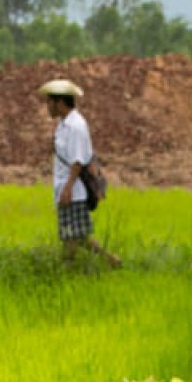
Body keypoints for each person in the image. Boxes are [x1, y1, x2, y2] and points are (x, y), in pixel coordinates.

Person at [39, 79, 121, 266]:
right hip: (65, 188)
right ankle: (112, 261)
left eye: (49, 102)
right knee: (78, 236)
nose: (47, 107)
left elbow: (77, 161)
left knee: (70, 237)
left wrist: (68, 188)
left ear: (60, 102)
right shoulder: (63, 124)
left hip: (73, 191)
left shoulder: (76, 126)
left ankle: (67, 270)